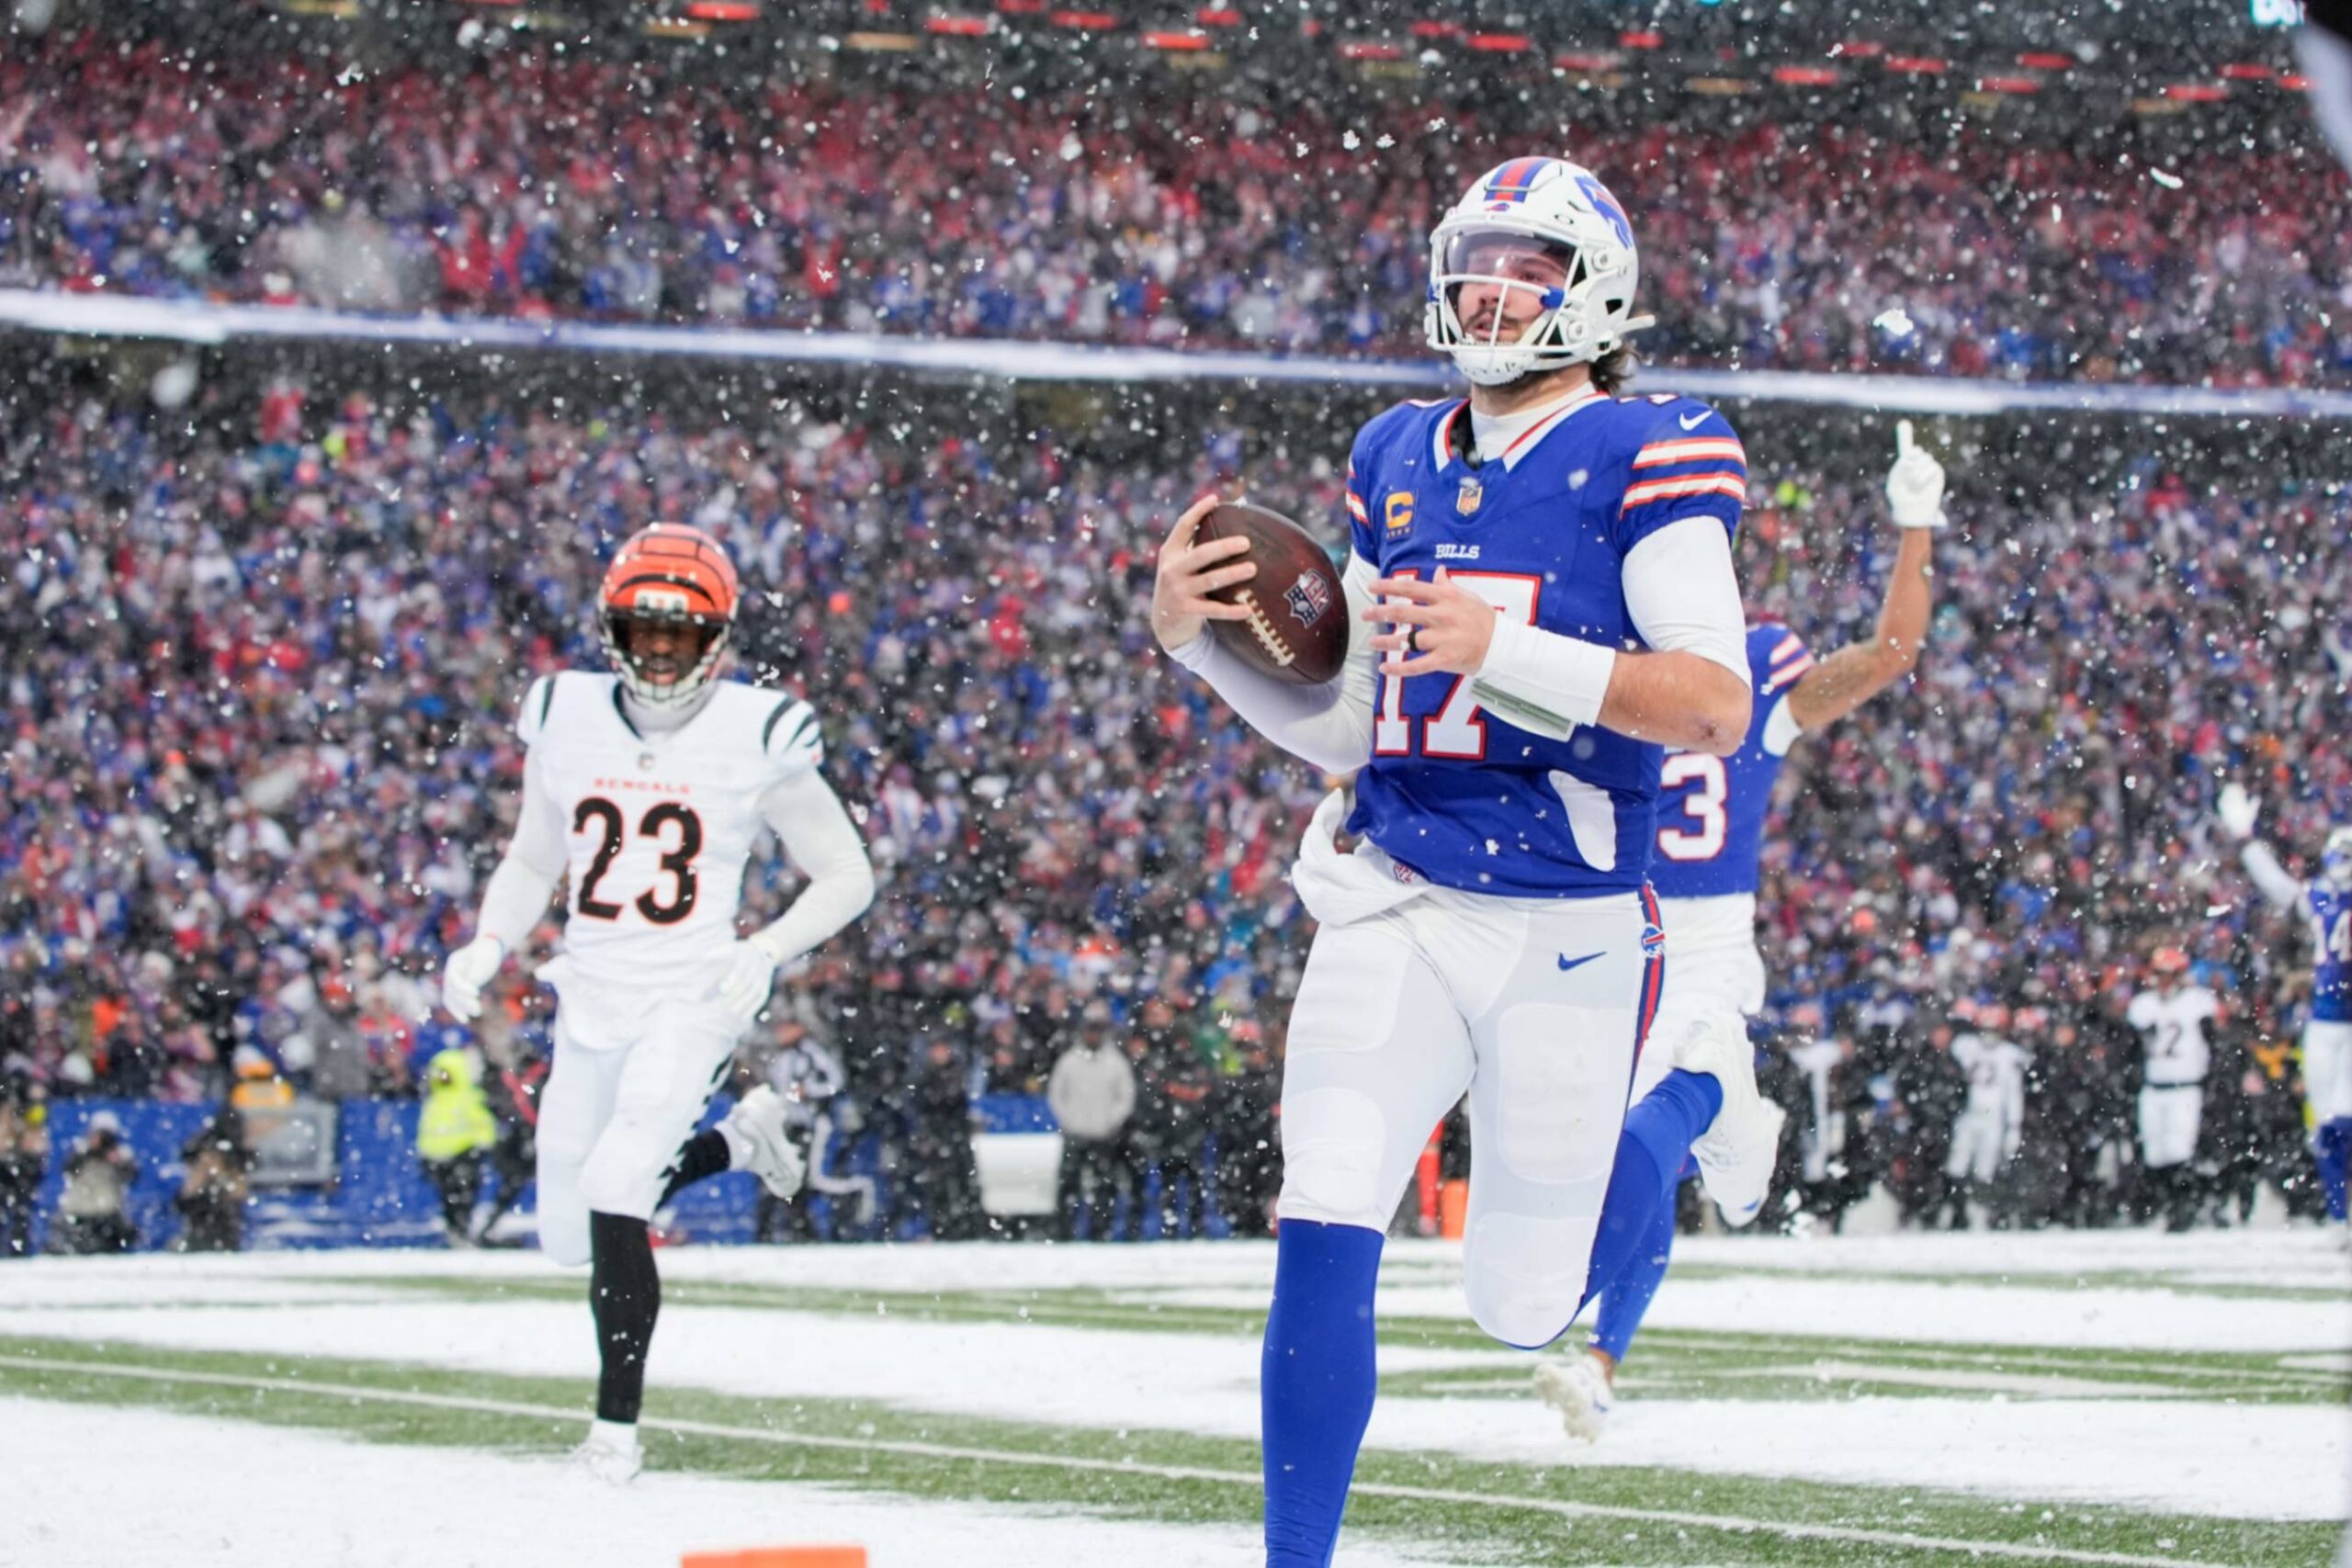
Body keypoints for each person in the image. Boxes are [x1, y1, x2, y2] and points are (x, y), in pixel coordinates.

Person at [1155, 154, 1764, 1565]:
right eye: (1477, 263)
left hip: (1568, 918)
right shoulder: (1396, 453)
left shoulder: (1650, 448)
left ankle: (1695, 1093)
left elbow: (1713, 707)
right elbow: (1349, 724)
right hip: (1398, 888)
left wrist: (1507, 651)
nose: (1492, 292)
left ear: (1594, 292)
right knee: (1326, 1204)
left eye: (1529, 269)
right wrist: (1198, 646)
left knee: (1522, 1305)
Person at [439, 521, 876, 1483]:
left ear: (716, 636)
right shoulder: (563, 713)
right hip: (591, 989)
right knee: (568, 1236)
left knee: (617, 1187)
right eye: (646, 630)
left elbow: (847, 872)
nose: (663, 651)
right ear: (614, 629)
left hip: (692, 992)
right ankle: (739, 1142)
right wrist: (489, 940)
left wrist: (766, 948)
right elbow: (532, 858)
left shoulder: (758, 731)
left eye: (682, 632)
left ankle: (613, 1437)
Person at [1537, 424, 1946, 1439]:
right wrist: (1915, 526)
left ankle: (1599, 1351)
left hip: (1639, 930)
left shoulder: (1611, 660)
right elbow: (1892, 654)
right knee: (1636, 1159)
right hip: (1637, 930)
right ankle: (1712, 1135)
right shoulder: (1737, 669)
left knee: (1641, 1146)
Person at [2214, 784, 2352, 1246]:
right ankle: (2338, 1217)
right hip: (2324, 1022)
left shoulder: (2327, 897)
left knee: (2342, 1121)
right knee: (2325, 1126)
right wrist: (2246, 840)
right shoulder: (2321, 897)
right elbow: (2277, 886)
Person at [2125, 947, 2220, 1233]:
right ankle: (2168, 1206)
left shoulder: (2197, 1002)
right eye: (2161, 974)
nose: (2165, 981)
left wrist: (2213, 1078)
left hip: (2185, 1085)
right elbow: (2131, 1048)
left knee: (2180, 1148)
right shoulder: (2143, 1005)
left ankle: (2184, 1209)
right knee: (2156, 1152)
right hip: (2154, 1086)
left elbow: (2214, 1042)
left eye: (2170, 974)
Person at [1939, 1006, 2030, 1231]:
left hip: (1994, 1117)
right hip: (1969, 1113)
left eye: (1994, 1029)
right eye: (1986, 1029)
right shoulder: (1967, 1046)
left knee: (1986, 1167)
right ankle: (1957, 1211)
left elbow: (2014, 1094)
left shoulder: (2010, 1054)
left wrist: (2014, 1126)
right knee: (1957, 1164)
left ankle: (1983, 1213)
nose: (1990, 1035)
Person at [1046, 1023, 1135, 1241]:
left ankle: (1100, 1231)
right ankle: (1064, 1232)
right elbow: (1057, 1095)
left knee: (1103, 1187)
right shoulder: (1069, 1061)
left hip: (1104, 1135)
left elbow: (1125, 1096)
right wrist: (1069, 1120)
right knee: (1068, 1186)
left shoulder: (1115, 1063)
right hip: (1075, 1133)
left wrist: (1111, 1121)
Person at [415, 1045, 498, 1244]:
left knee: (462, 1197)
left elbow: (482, 1124)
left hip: (463, 1154)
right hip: (443, 1158)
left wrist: (481, 1146)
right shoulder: (436, 1100)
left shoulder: (467, 1097)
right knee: (450, 1198)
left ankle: (461, 1229)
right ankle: (456, 1230)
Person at [55, 1111, 141, 1255]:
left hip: (108, 1215)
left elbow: (131, 1176)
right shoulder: (81, 1151)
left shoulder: (121, 1155)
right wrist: (90, 1152)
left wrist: (116, 1161)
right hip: (79, 1214)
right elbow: (68, 1169)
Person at [175, 1108, 254, 1253]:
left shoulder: (237, 1162)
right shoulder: (201, 1156)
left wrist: (225, 1174)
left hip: (228, 1232)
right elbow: (186, 1197)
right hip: (198, 1228)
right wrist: (205, 1170)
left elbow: (239, 1194)